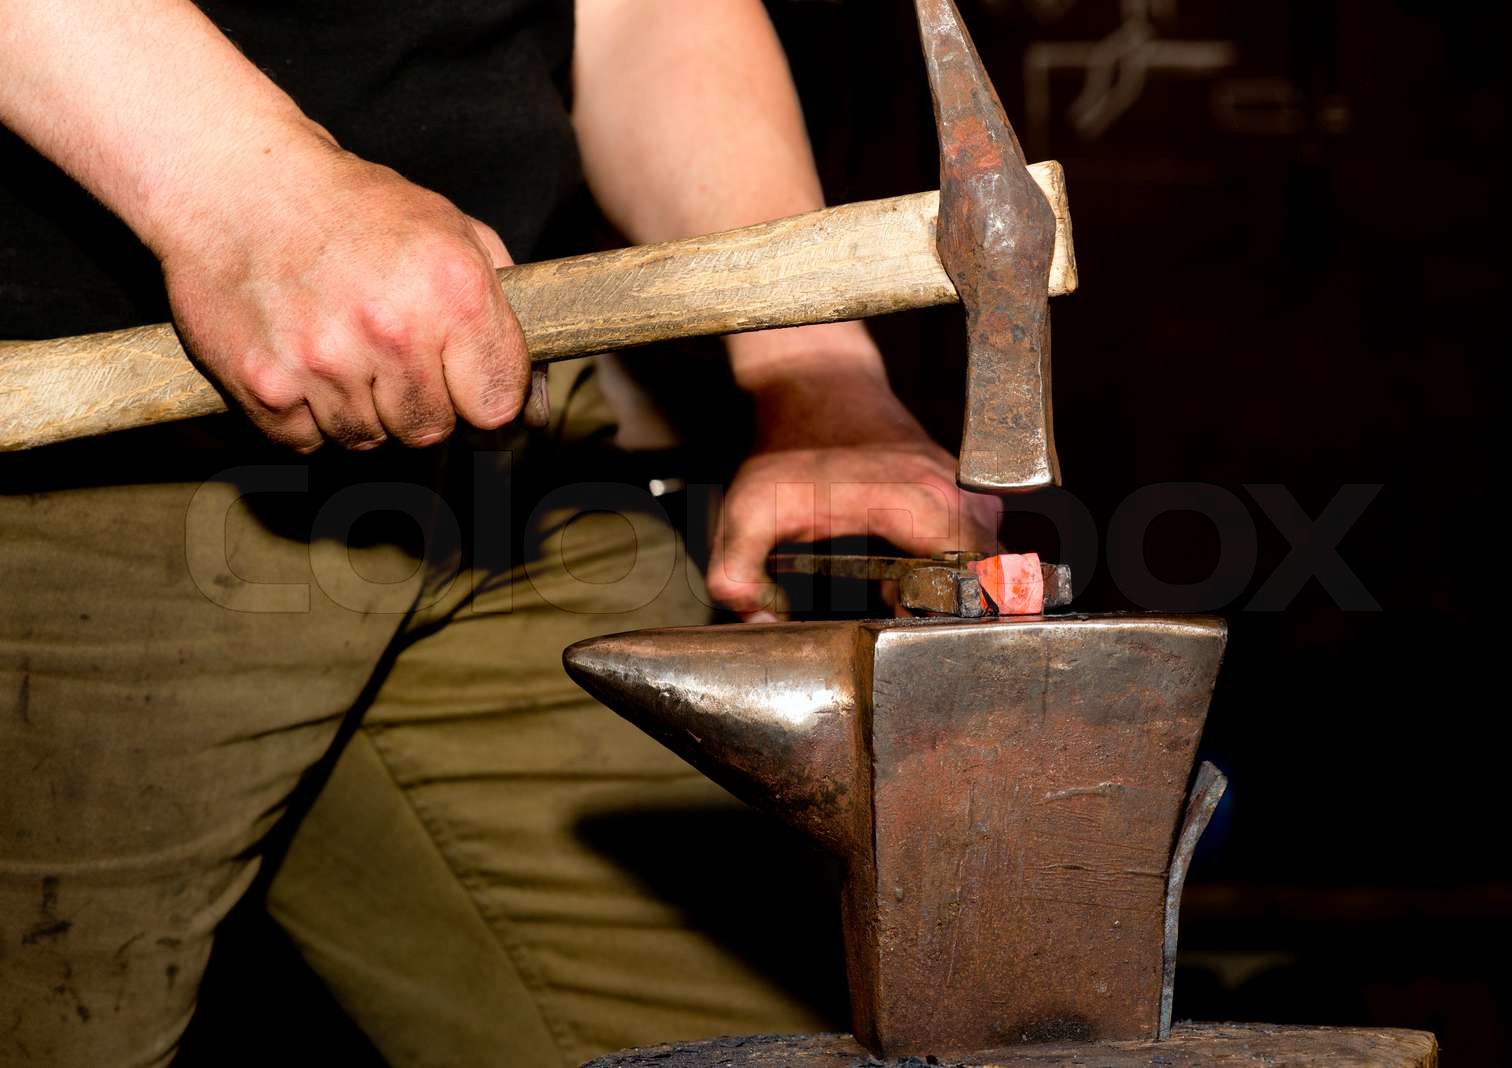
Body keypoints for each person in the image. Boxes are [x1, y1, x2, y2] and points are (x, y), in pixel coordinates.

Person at [0, 1, 1000, 1065]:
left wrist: (811, 369)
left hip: (513, 453)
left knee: (742, 1041)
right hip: (88, 462)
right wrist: (239, 185)